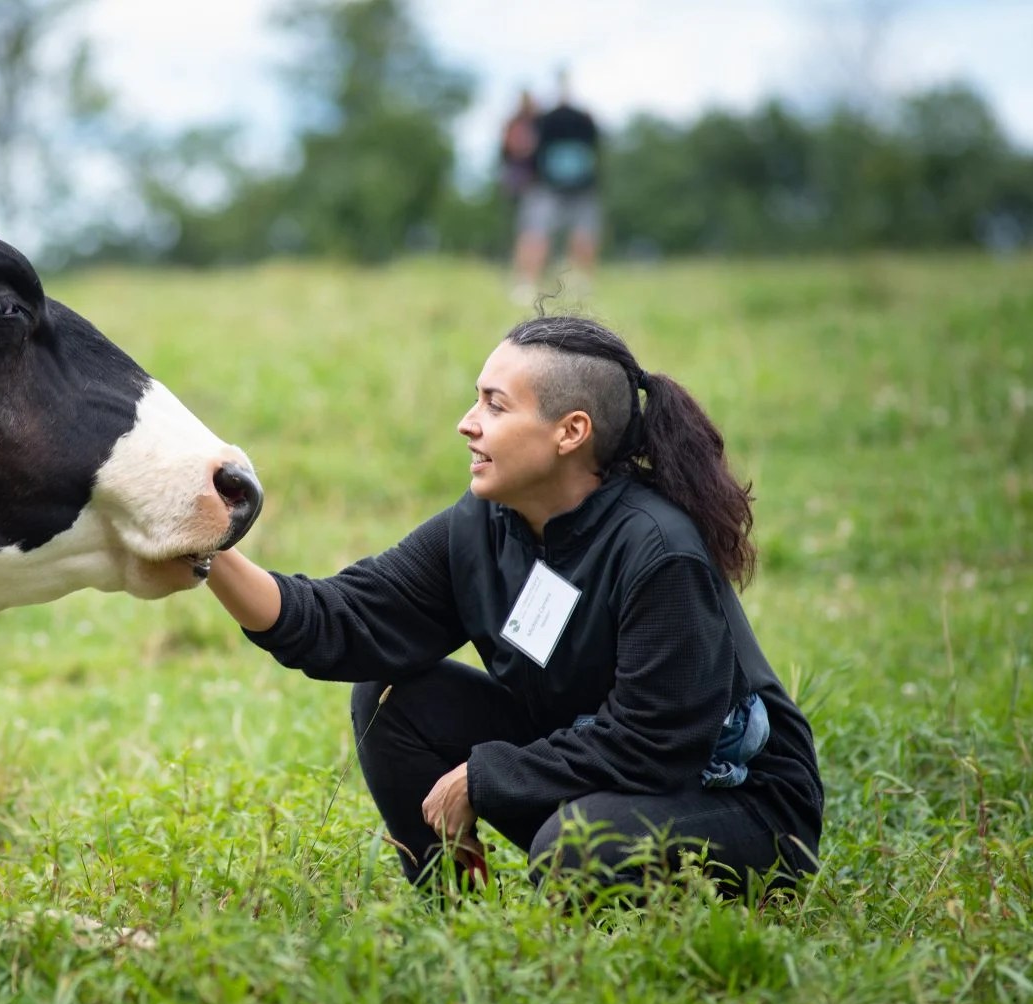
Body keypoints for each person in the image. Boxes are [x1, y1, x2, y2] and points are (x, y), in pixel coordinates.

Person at [206, 316, 822, 897]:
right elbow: (345, 618)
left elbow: (654, 745)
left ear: (570, 432)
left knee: (575, 849)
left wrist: (485, 777)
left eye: (495, 405)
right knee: (389, 696)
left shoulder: (658, 549)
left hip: (738, 804)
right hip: (604, 771)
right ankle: (455, 918)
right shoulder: (485, 524)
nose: (467, 423)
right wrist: (206, 544)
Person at [512, 70, 602, 304]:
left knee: (540, 233)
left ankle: (528, 284)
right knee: (573, 234)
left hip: (554, 186)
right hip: (570, 186)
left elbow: (522, 147)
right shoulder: (585, 119)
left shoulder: (542, 119)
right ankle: (576, 284)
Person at [498, 89, 538, 202]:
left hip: (534, 176)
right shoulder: (513, 123)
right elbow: (506, 146)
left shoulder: (537, 122)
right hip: (517, 171)